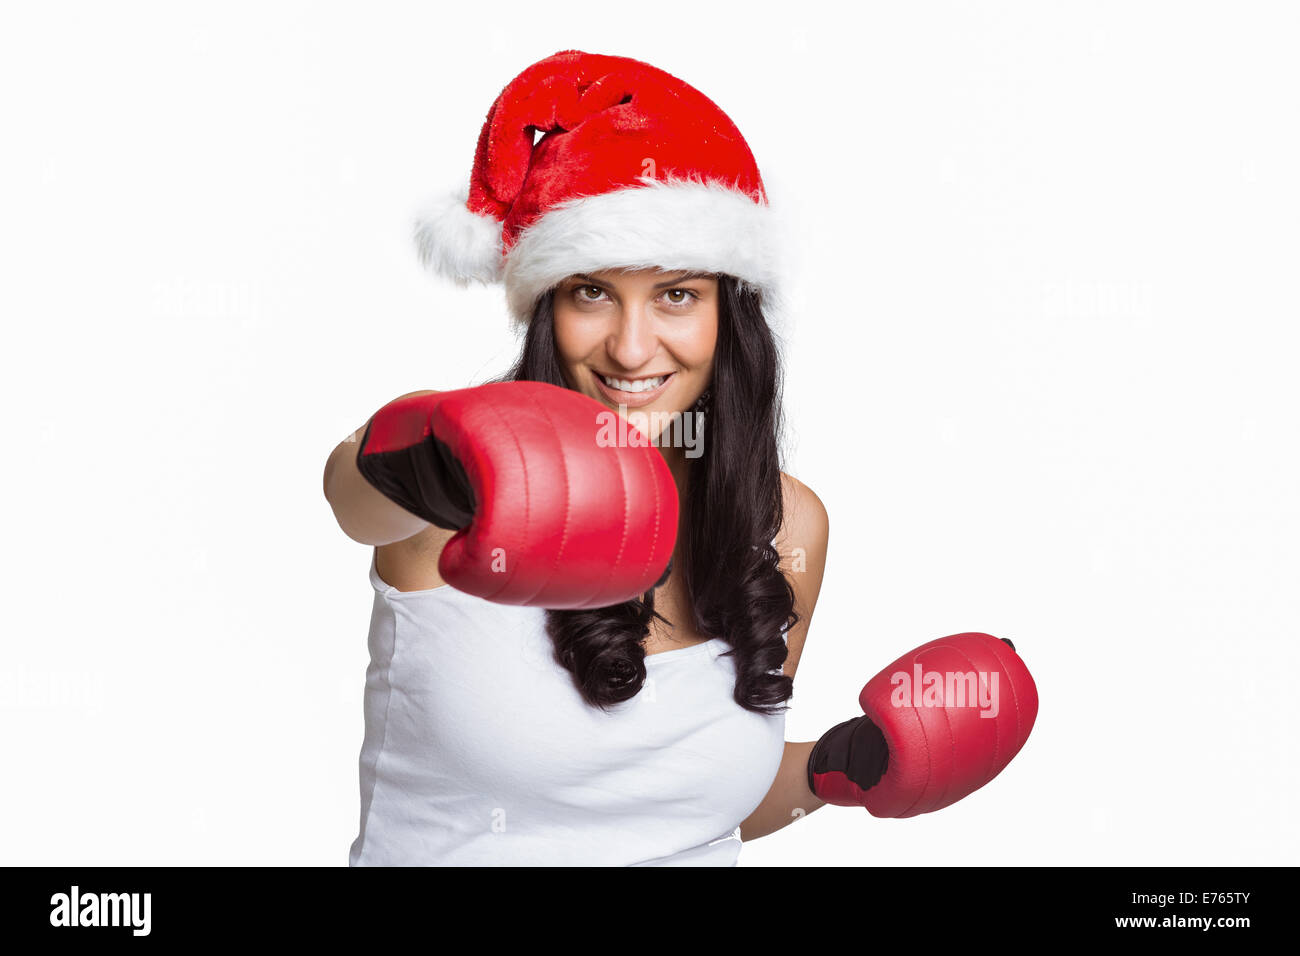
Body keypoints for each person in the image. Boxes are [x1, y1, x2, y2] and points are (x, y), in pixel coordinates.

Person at [322, 50, 1036, 866]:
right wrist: (450, 474)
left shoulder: (784, 522)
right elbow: (351, 494)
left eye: (677, 294)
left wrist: (848, 765)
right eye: (591, 291)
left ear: (729, 314)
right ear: (547, 308)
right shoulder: (455, 464)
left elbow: (702, 806)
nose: (631, 347)